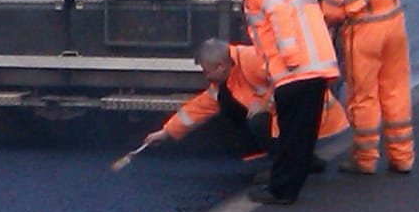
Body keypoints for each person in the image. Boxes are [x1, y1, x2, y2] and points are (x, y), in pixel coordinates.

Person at [140, 38, 347, 179]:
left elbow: (290, 84)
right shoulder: (228, 78)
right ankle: (303, 161)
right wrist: (166, 132)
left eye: (207, 71)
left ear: (220, 66)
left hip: (307, 112)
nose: (206, 77)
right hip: (294, 115)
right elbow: (200, 108)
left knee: (257, 120)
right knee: (240, 110)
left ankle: (286, 168)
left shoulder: (253, 59)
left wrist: (264, 103)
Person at [311, 0, 415, 175]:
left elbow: (332, 14)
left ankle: (365, 158)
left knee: (363, 96)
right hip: (395, 23)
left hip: (364, 31)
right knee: (396, 89)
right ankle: (402, 157)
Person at [237, 0, 341, 204]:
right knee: (303, 133)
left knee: (291, 132)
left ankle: (282, 190)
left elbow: (279, 15)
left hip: (295, 68)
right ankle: (288, 182)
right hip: (316, 63)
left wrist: (289, 57)